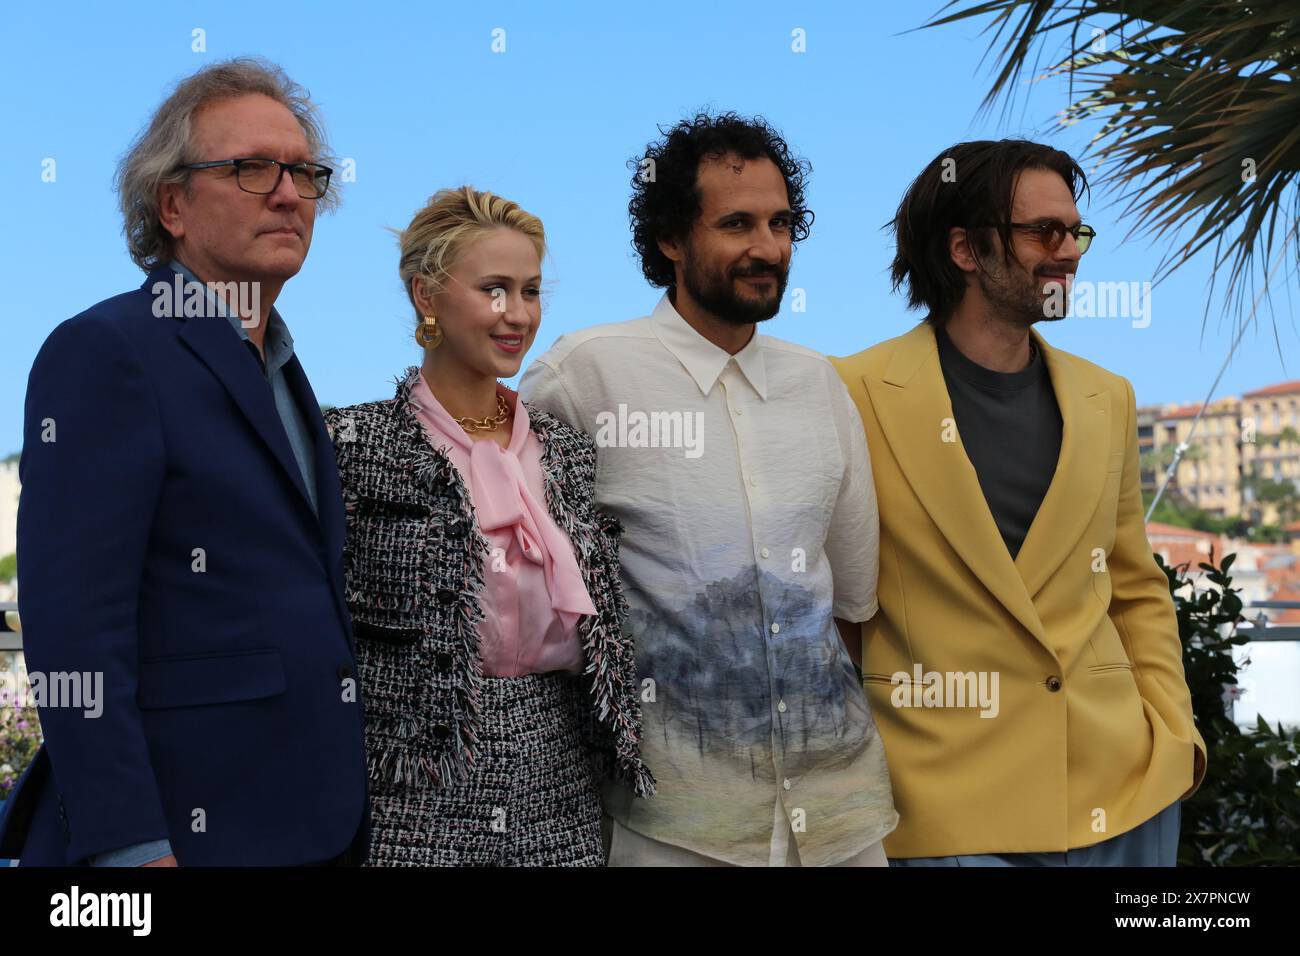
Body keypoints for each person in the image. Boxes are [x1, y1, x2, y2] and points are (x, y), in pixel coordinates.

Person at [0, 58, 368, 866]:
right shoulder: (106, 351)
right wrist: (132, 849)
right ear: (171, 203)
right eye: (251, 168)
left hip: (313, 828)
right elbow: (72, 631)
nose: (288, 193)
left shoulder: (286, 372)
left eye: (305, 172)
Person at [521, 112, 897, 866]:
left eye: (782, 222)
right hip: (673, 829)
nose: (768, 247)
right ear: (670, 240)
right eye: (736, 224)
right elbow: (531, 584)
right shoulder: (586, 374)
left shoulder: (820, 385)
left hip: (842, 825)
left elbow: (851, 607)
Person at [831, 138, 1206, 866]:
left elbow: (1134, 589)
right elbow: (830, 603)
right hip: (943, 813)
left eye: (1075, 231)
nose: (1068, 251)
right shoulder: (853, 393)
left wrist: (1174, 738)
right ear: (966, 249)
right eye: (1044, 232)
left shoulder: (1108, 397)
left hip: (1121, 799)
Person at [324, 186, 652, 867]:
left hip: (560, 778)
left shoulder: (566, 451)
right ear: (427, 296)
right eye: (494, 289)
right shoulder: (351, 443)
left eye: (530, 290)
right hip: (410, 793)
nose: (518, 313)